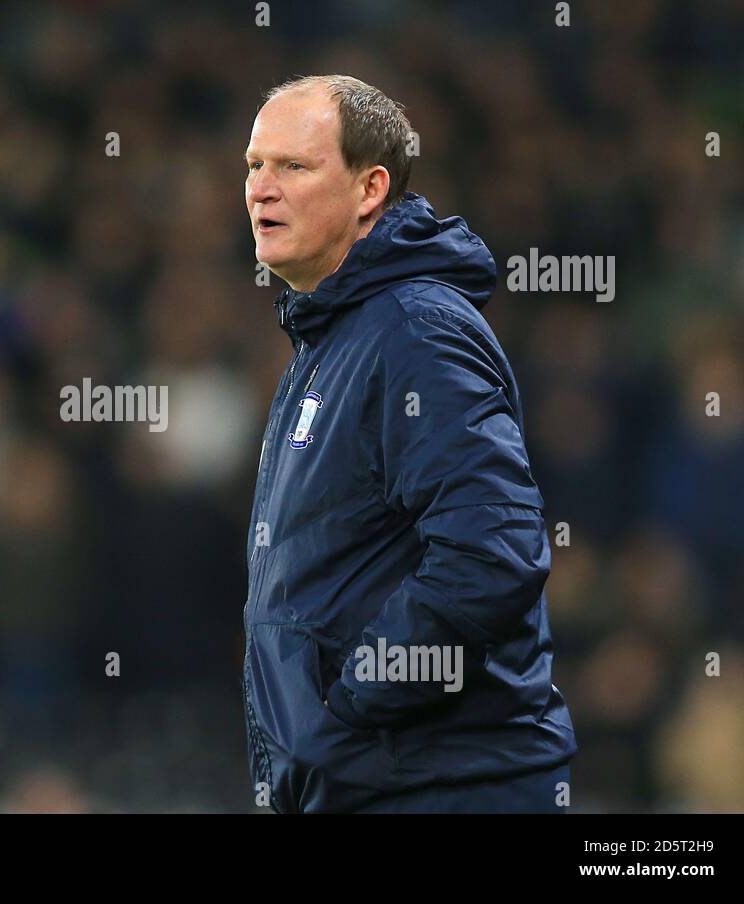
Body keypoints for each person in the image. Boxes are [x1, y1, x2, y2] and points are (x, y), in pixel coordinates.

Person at [240, 75, 576, 814]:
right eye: (254, 166)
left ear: (370, 189)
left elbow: (491, 557)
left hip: (437, 787)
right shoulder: (335, 337)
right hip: (375, 783)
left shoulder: (415, 332)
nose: (262, 189)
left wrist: (350, 717)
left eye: (293, 167)